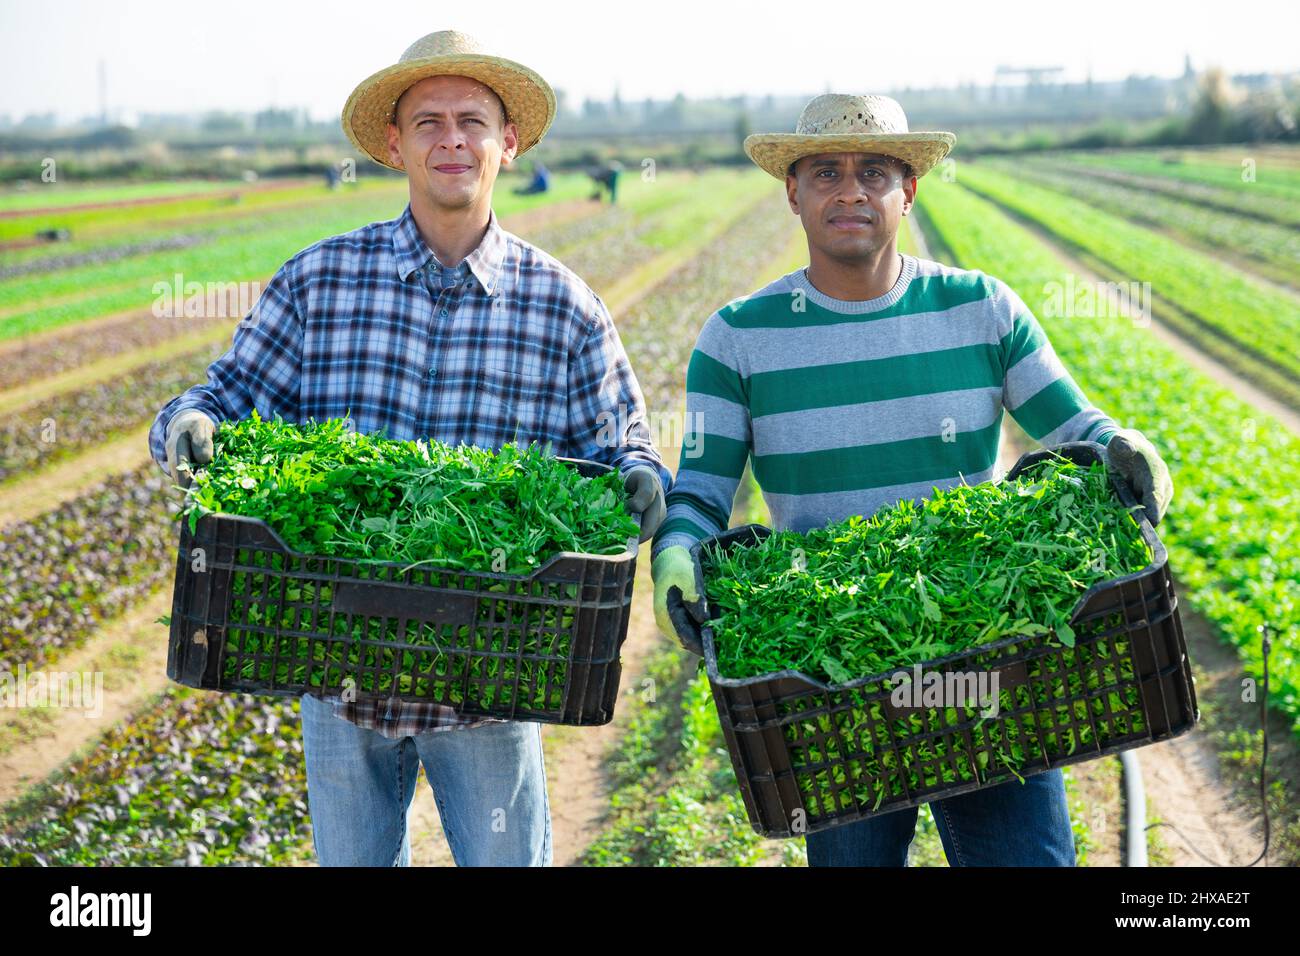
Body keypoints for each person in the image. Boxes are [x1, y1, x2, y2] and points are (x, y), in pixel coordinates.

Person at [148, 29, 670, 867]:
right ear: (394, 144)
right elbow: (222, 398)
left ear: (511, 142)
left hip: (491, 682)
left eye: (473, 119)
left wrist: (643, 477)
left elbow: (620, 447)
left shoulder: (564, 307)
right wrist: (190, 425)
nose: (452, 139)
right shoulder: (319, 282)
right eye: (428, 121)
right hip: (337, 667)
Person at [649, 93, 1173, 868]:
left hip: (989, 657)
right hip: (832, 675)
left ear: (910, 190)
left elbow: (1077, 429)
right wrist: (675, 561)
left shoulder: (982, 310)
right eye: (825, 172)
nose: (851, 191)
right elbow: (699, 490)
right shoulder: (738, 338)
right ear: (792, 192)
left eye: (876, 172)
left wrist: (1131, 451)